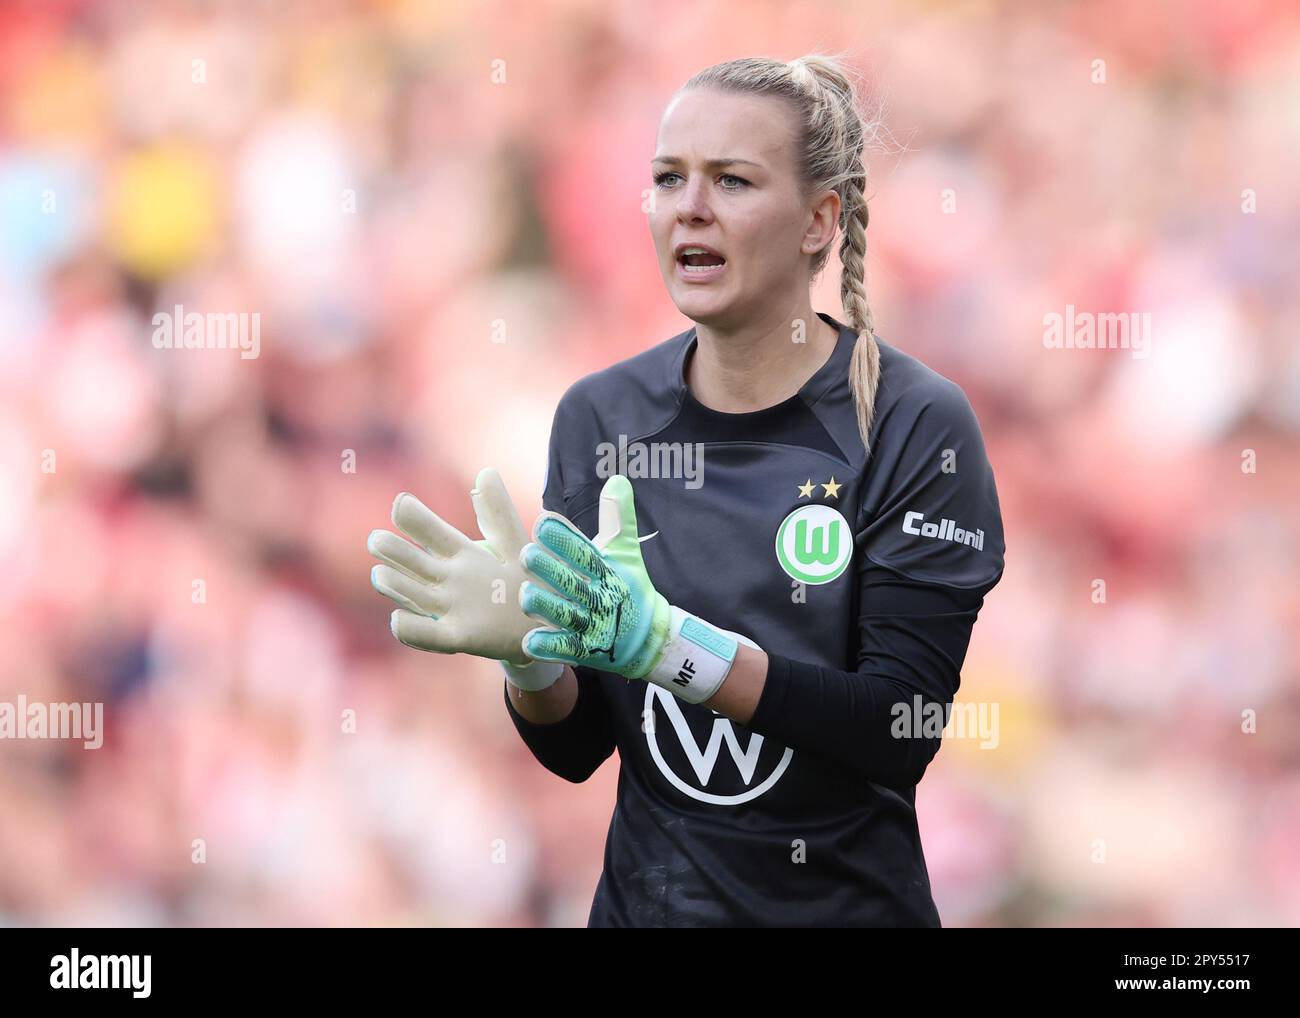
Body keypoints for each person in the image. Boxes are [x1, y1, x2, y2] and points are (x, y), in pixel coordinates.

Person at [369, 54, 1005, 927]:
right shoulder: (601, 416)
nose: (689, 207)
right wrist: (532, 657)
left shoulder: (914, 423)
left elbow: (897, 727)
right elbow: (580, 744)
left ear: (821, 220)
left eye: (732, 181)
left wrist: (666, 645)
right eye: (668, 178)